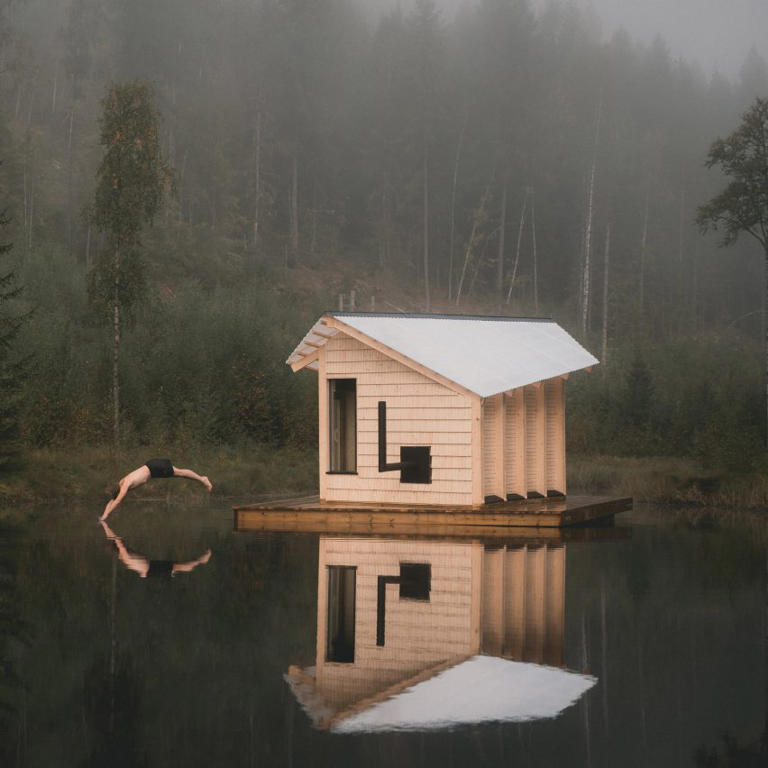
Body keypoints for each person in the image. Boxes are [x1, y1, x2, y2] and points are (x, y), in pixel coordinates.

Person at [101, 458, 212, 521]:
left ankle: (202, 479)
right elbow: (112, 500)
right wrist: (103, 516)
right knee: (180, 473)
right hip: (152, 468)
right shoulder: (121, 483)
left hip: (154, 468)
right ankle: (201, 479)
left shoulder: (125, 485)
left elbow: (117, 501)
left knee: (180, 473)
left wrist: (107, 515)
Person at [100, 519, 211, 578]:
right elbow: (118, 541)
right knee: (177, 567)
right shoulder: (123, 554)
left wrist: (106, 526)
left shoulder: (122, 557)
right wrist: (111, 533)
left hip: (147, 569)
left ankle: (200, 561)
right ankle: (200, 560)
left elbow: (116, 540)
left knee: (176, 568)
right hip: (149, 569)